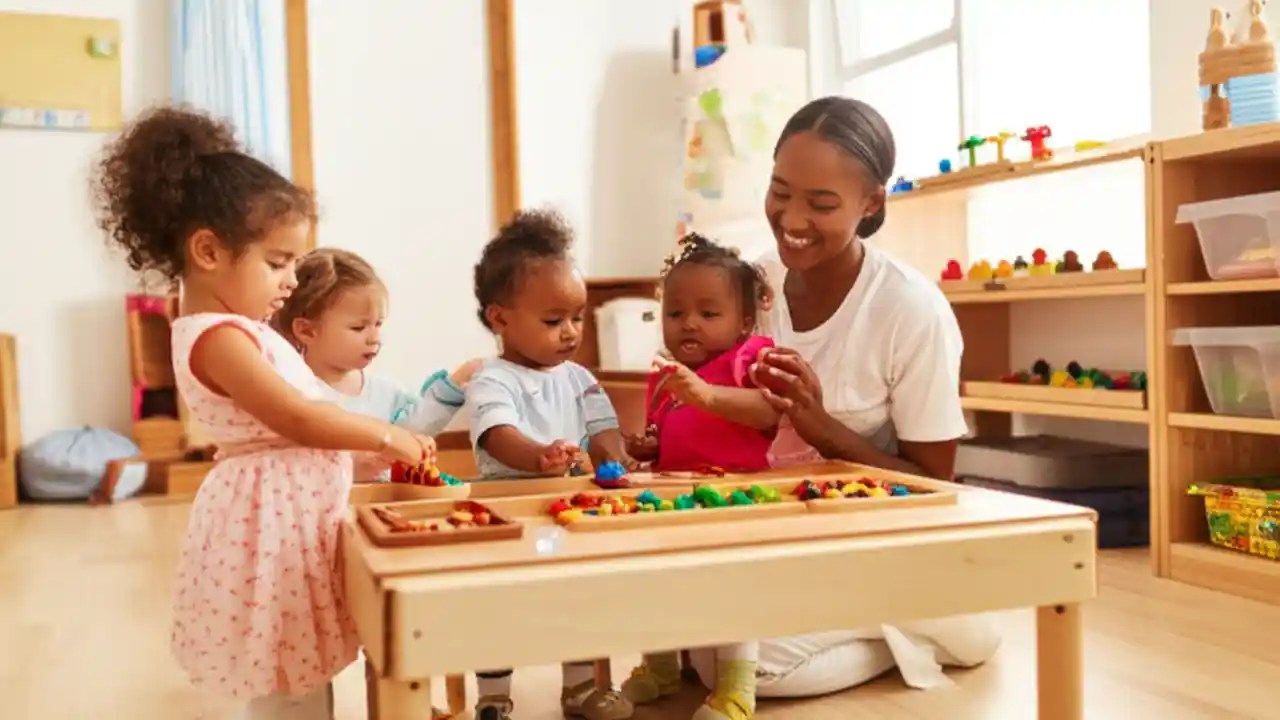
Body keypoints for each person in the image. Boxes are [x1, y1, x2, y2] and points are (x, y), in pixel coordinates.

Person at [93, 106, 435, 719]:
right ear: (208, 251)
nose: (289, 281)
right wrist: (385, 435)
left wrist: (362, 457)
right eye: (277, 264)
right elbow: (298, 419)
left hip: (294, 514)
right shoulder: (217, 337)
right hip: (270, 524)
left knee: (304, 664)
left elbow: (308, 419)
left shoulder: (244, 328)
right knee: (286, 673)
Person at [691, 96, 1001, 702]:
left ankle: (921, 626)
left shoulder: (910, 310)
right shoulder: (750, 288)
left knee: (736, 666)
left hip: (878, 539)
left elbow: (935, 485)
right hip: (772, 539)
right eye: (781, 191)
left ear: (871, 203)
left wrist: (820, 427)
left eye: (822, 203)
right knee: (691, 639)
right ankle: (917, 626)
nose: (791, 218)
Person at [464, 208, 636, 720]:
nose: (570, 332)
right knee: (498, 605)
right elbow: (497, 436)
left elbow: (603, 428)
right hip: (510, 512)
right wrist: (537, 457)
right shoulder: (491, 379)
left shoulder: (578, 377)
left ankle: (580, 688)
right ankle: (493, 697)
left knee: (579, 598)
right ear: (500, 318)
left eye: (577, 318)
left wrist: (616, 454)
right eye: (553, 320)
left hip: (570, 510)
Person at [621, 233, 777, 720]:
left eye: (709, 314)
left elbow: (769, 411)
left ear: (743, 323)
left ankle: (736, 689)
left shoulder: (749, 359)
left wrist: (707, 395)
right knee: (655, 580)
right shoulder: (663, 374)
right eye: (676, 313)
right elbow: (666, 436)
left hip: (739, 501)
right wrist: (646, 447)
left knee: (735, 590)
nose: (690, 323)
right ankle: (662, 665)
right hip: (675, 503)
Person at [272, 247, 483, 481]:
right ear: (307, 330)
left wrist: (453, 385)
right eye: (358, 328)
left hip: (385, 509)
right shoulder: (291, 394)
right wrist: (354, 467)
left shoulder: (388, 394)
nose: (375, 338)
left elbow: (415, 429)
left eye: (378, 324)